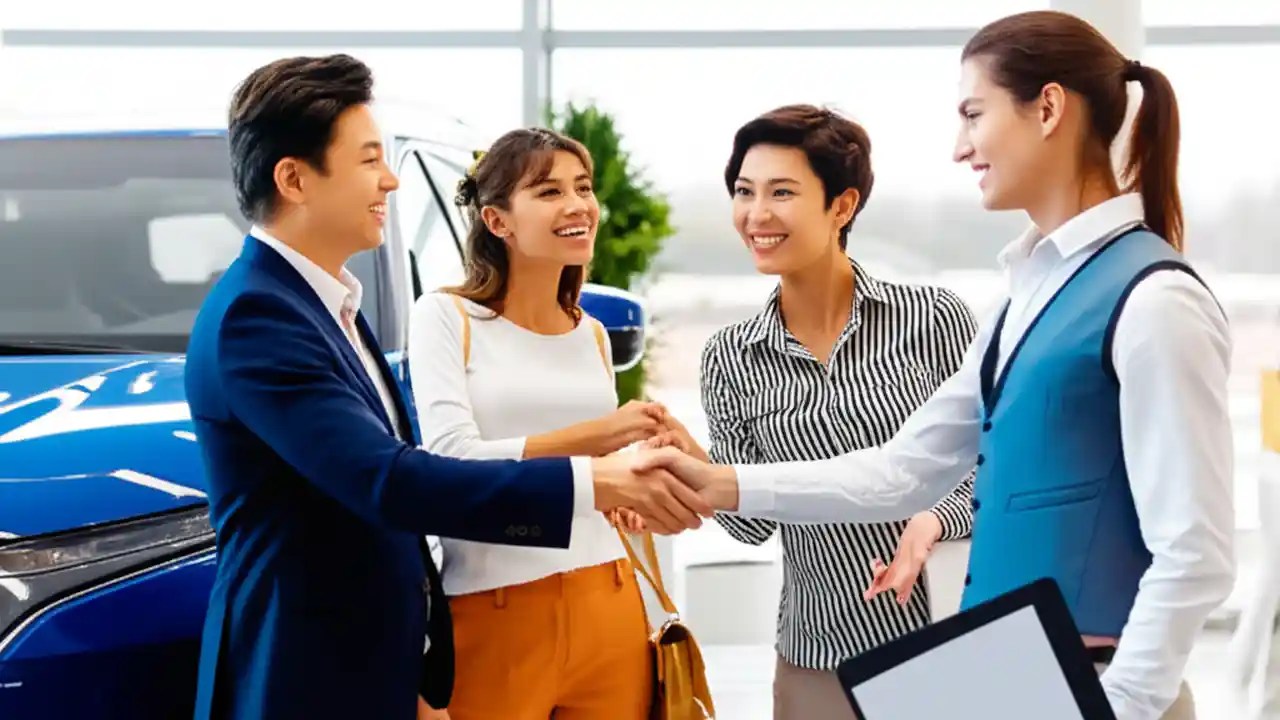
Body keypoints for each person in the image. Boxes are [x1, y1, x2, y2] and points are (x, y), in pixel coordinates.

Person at [637, 10, 1236, 720]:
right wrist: (718, 481)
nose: (960, 148)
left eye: (973, 114)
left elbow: (1196, 552)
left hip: (1091, 688)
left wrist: (1120, 706)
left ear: (1047, 108)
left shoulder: (1155, 300)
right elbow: (901, 471)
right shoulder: (1023, 298)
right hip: (1002, 678)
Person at [184, 54, 711, 720]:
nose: (391, 181)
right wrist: (598, 480)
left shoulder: (328, 306)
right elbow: (393, 483)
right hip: (307, 673)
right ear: (295, 179)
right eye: (369, 160)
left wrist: (425, 666)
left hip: (376, 659)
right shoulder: (257, 316)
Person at [651, 104, 978, 719]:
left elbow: (994, 460)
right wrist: (692, 458)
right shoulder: (731, 355)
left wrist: (934, 517)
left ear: (842, 206)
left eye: (782, 192)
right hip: (815, 655)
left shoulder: (934, 318)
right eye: (744, 192)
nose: (757, 215)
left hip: (942, 635)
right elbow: (754, 526)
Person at [405, 128, 660, 720]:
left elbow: (605, 487)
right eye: (548, 192)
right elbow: (452, 461)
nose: (577, 205)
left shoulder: (592, 333)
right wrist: (600, 448)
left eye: (583, 188)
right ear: (498, 222)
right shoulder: (445, 316)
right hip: (491, 609)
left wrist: (628, 490)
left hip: (611, 600)